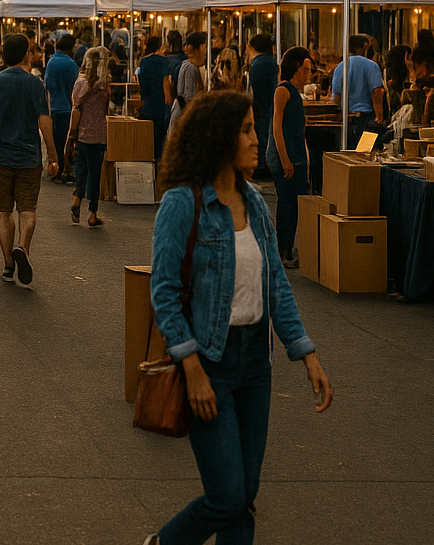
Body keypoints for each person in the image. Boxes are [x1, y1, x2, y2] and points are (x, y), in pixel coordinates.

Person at [145, 90, 332, 545]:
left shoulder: (253, 203)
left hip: (255, 365)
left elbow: (276, 285)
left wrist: (305, 352)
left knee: (244, 495)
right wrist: (191, 367)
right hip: (209, 360)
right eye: (247, 130)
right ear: (219, 138)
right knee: (227, 496)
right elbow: (164, 294)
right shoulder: (182, 203)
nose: (256, 140)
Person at [0, 34, 59, 288]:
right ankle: (22, 247)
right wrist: (53, 155)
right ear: (26, 55)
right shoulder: (35, 84)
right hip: (29, 156)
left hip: (0, 155)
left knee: (4, 213)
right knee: (28, 211)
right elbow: (44, 121)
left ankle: (8, 265)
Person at [270, 48, 313, 270]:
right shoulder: (283, 90)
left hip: (297, 156)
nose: (309, 73)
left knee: (294, 206)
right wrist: (285, 160)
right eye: (307, 69)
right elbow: (277, 128)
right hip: (288, 159)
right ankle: (282, 250)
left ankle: (287, 249)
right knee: (287, 206)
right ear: (297, 67)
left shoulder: (294, 91)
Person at [67, 47, 110, 228]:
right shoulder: (104, 85)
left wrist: (72, 133)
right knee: (95, 174)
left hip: (83, 134)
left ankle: (76, 202)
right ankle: (92, 214)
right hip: (99, 136)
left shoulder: (81, 83)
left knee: (81, 169)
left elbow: (76, 108)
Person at [330, 34, 386, 147]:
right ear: (365, 46)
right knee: (366, 158)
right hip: (366, 120)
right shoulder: (371, 66)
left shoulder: (340, 67)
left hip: (347, 120)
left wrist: (342, 114)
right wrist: (379, 116)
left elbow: (336, 96)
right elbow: (376, 91)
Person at [44, 34, 80, 183]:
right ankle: (67, 170)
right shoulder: (72, 65)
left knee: (56, 141)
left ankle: (56, 170)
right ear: (70, 47)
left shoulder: (51, 62)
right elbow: (76, 87)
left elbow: (48, 85)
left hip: (54, 107)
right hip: (68, 108)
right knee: (68, 142)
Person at [244, 35, 277, 178]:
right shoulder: (273, 63)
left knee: (261, 136)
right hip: (271, 106)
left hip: (259, 108)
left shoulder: (257, 65)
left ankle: (261, 166)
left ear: (251, 47)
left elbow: (254, 90)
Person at [166, 32, 209, 135]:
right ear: (199, 47)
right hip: (183, 115)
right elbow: (189, 97)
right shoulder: (191, 67)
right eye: (205, 46)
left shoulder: (187, 64)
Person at [136, 35, 171, 160]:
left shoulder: (144, 62)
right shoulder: (166, 62)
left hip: (149, 107)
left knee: (149, 146)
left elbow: (143, 88)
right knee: (161, 145)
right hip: (163, 108)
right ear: (160, 47)